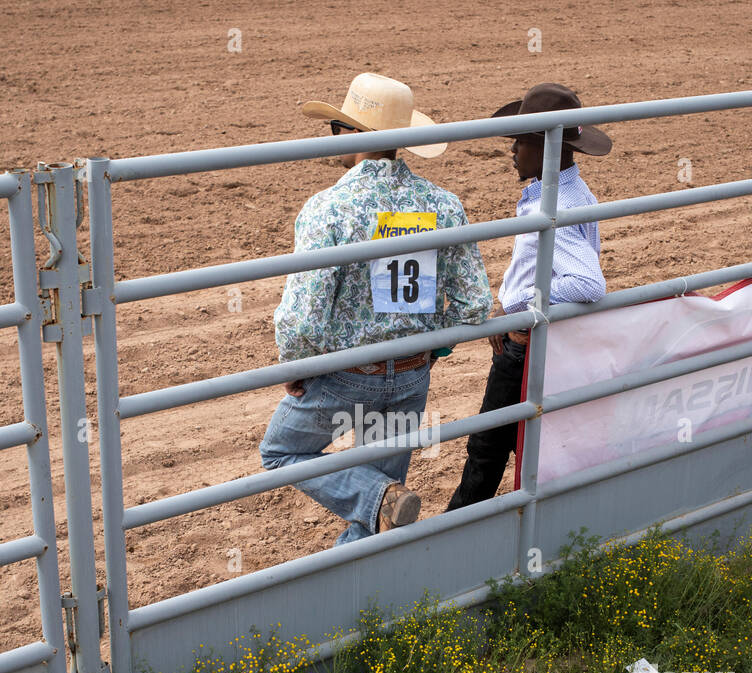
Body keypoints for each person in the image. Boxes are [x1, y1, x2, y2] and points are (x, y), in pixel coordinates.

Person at [260, 73, 493, 545]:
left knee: (281, 454)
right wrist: (433, 347)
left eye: (337, 127)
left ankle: (377, 500)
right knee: (377, 508)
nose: (335, 138)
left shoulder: (330, 208)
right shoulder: (443, 206)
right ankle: (372, 577)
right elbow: (475, 305)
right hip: (410, 374)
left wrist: (297, 365)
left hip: (348, 376)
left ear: (357, 134)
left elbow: (303, 319)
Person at [446, 83, 612, 512]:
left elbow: (588, 284)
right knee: (528, 441)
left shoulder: (551, 206)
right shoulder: (571, 192)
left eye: (519, 140)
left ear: (543, 145)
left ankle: (453, 534)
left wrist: (517, 306)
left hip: (523, 346)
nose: (512, 151)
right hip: (546, 342)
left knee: (487, 448)